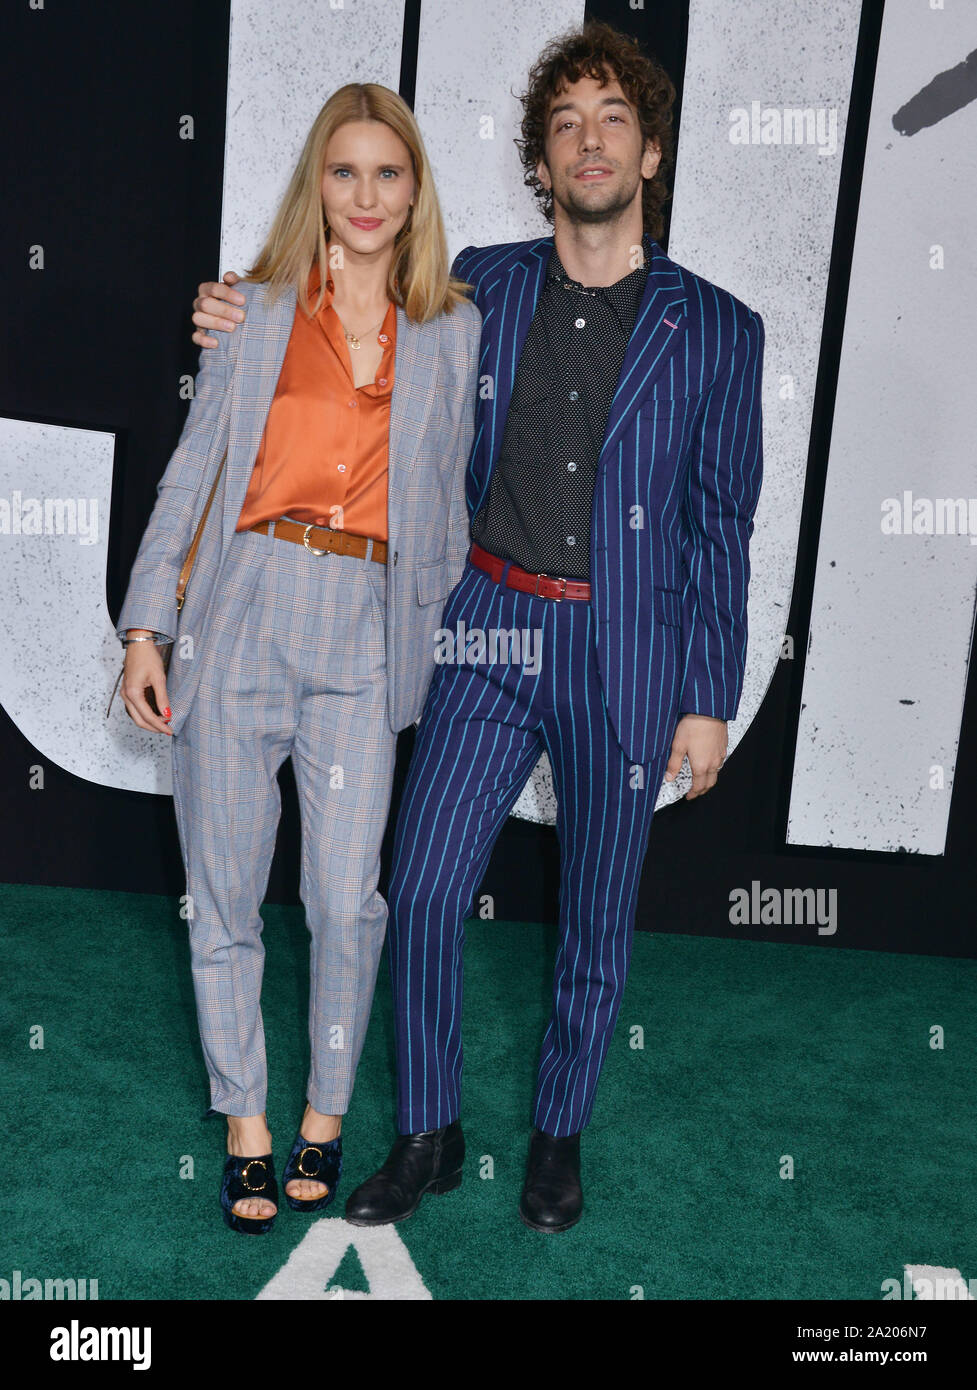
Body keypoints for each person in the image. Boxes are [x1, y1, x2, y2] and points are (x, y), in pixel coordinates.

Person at [192, 19, 764, 1234]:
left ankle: (556, 1140)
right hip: (485, 631)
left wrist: (708, 694)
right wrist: (233, 310)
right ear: (537, 161)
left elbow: (720, 524)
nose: (589, 141)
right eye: (564, 124)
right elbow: (342, 312)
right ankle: (426, 1135)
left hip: (625, 650)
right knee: (425, 886)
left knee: (594, 913)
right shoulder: (476, 291)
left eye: (612, 120)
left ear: (650, 152)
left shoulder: (716, 331)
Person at [117, 82, 480, 1234]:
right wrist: (145, 625)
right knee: (220, 892)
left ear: (414, 187)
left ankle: (324, 1113)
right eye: (343, 171)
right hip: (242, 605)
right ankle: (247, 1121)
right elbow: (192, 470)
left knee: (341, 899)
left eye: (387, 172)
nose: (365, 195)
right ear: (315, 185)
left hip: (366, 625)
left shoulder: (453, 324)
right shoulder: (255, 308)